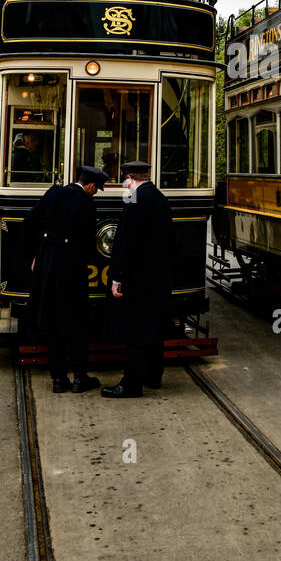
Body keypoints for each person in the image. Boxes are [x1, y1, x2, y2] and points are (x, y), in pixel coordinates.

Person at [26, 164, 109, 392]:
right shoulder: (88, 205)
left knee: (53, 322)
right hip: (73, 269)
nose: (96, 192)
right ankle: (80, 378)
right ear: (90, 184)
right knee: (77, 322)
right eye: (97, 188)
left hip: (49, 267)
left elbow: (31, 219)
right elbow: (87, 242)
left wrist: (39, 252)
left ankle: (58, 380)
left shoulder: (53, 193)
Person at [102, 160, 173, 398]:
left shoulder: (135, 201)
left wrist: (117, 277)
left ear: (130, 177)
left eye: (125, 180)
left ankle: (131, 384)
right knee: (153, 327)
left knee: (135, 331)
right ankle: (154, 376)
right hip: (159, 278)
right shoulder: (160, 198)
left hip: (138, 279)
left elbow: (126, 244)